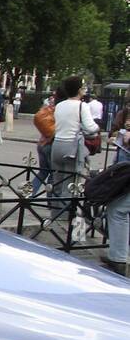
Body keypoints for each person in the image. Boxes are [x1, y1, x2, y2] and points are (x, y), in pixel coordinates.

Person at [49, 75, 98, 231]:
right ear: (78, 90)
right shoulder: (81, 106)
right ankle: (64, 221)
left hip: (57, 144)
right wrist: (97, 129)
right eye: (83, 87)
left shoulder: (60, 105)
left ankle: (54, 214)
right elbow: (90, 127)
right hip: (71, 146)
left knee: (57, 181)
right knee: (70, 184)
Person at [31, 87, 59, 197]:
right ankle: (50, 199)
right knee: (53, 173)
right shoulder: (60, 110)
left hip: (42, 142)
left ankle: (29, 194)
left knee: (42, 172)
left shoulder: (48, 107)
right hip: (51, 143)